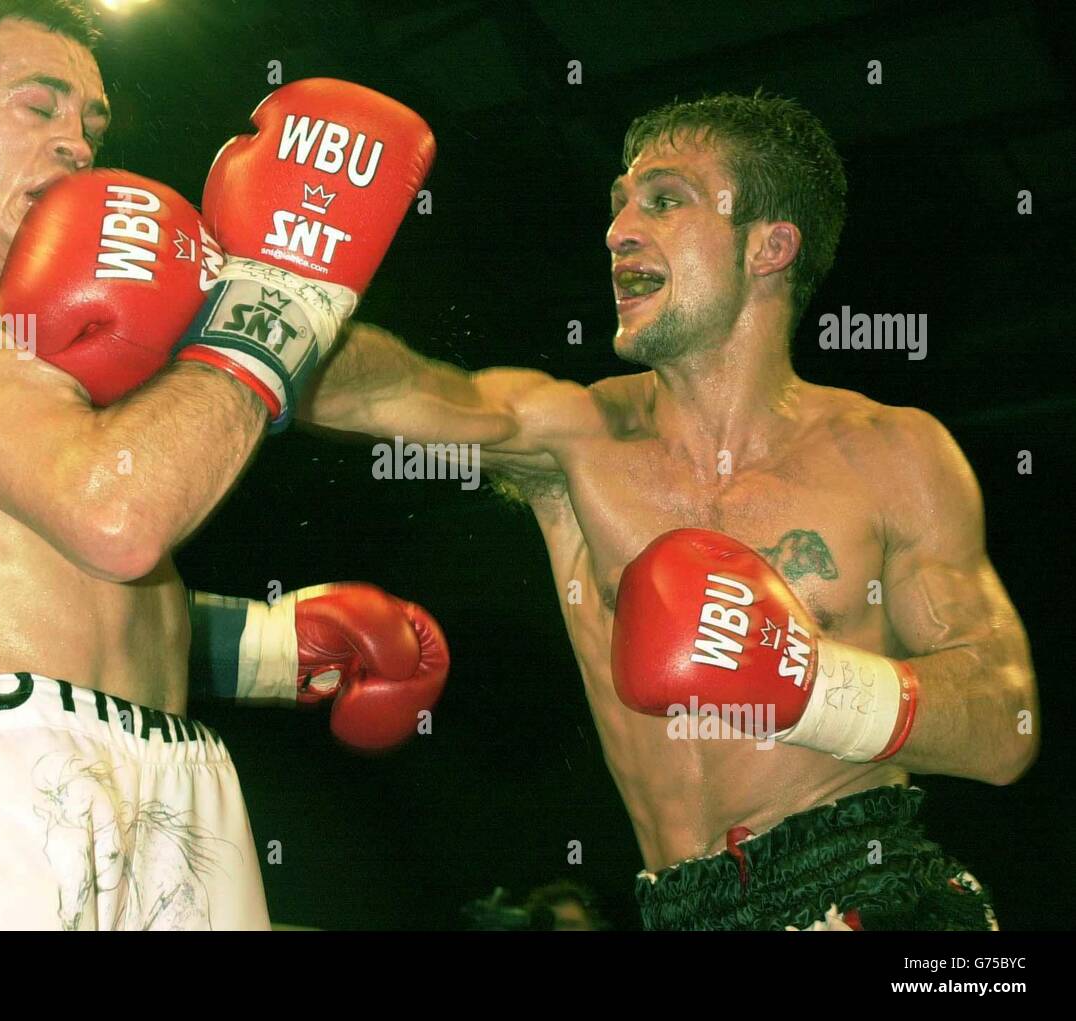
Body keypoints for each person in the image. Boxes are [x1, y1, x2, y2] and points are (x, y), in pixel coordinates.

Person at [300, 91, 1037, 930]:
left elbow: (1004, 726)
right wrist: (256, 299)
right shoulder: (575, 439)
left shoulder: (892, 452)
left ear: (770, 245)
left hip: (868, 884)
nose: (617, 231)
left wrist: (807, 682)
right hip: (678, 907)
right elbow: (390, 391)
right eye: (617, 205)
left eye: (663, 199)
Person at [0, 0, 438, 929]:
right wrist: (280, 294)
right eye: (37, 106)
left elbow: (61, 584)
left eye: (90, 121)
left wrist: (260, 646)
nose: (78, 145)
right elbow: (118, 517)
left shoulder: (34, 327)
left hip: (167, 769)